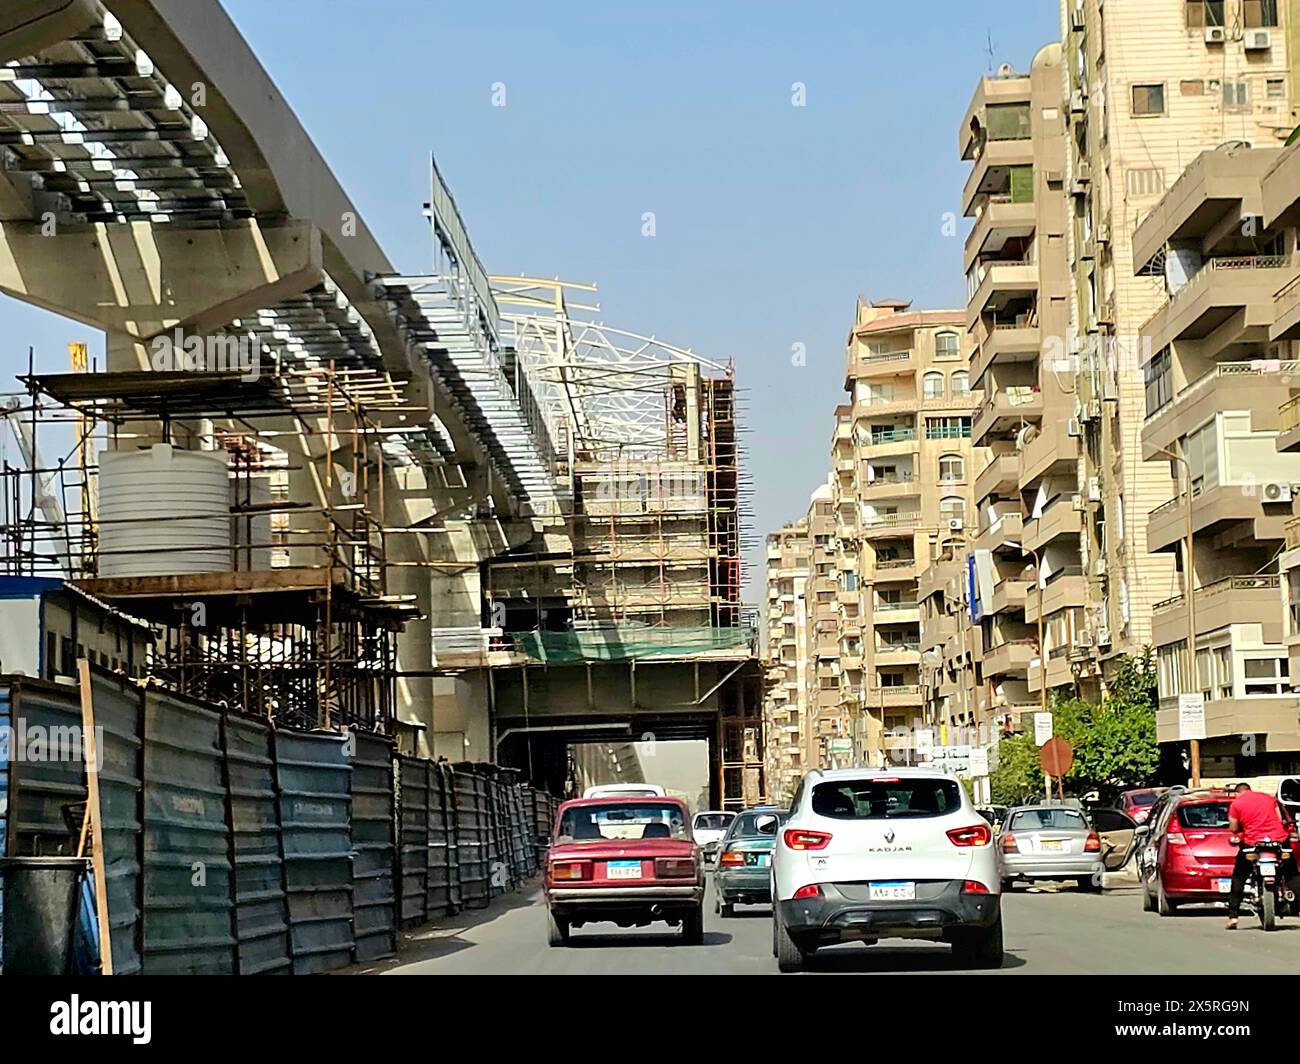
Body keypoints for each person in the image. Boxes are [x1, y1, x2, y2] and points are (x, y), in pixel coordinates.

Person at [1225, 782, 1298, 929]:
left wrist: (1241, 828)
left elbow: (1233, 828)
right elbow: (1279, 819)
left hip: (1253, 842)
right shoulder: (1268, 798)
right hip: (1278, 840)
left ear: (1237, 793)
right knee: (1292, 874)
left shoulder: (1236, 804)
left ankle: (1233, 916)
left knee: (1239, 876)